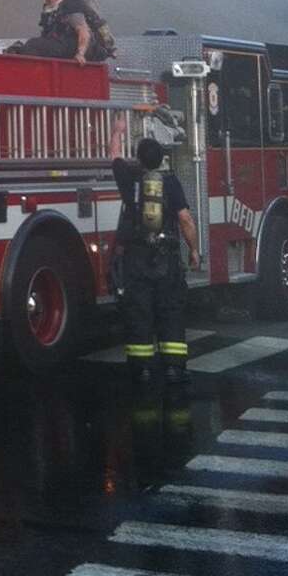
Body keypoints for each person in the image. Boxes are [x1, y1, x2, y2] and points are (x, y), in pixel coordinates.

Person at [111, 123, 201, 386]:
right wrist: (194, 250)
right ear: (162, 158)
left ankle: (142, 370)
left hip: (136, 260)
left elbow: (114, 156)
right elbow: (185, 219)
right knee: (170, 311)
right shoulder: (171, 183)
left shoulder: (129, 179)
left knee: (139, 313)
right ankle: (174, 369)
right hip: (166, 259)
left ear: (138, 159)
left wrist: (118, 131)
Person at [8, 0, 114, 64]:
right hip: (64, 45)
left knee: (33, 45)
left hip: (83, 47)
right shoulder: (49, 9)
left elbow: (83, 31)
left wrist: (80, 54)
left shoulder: (70, 3)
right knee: (24, 48)